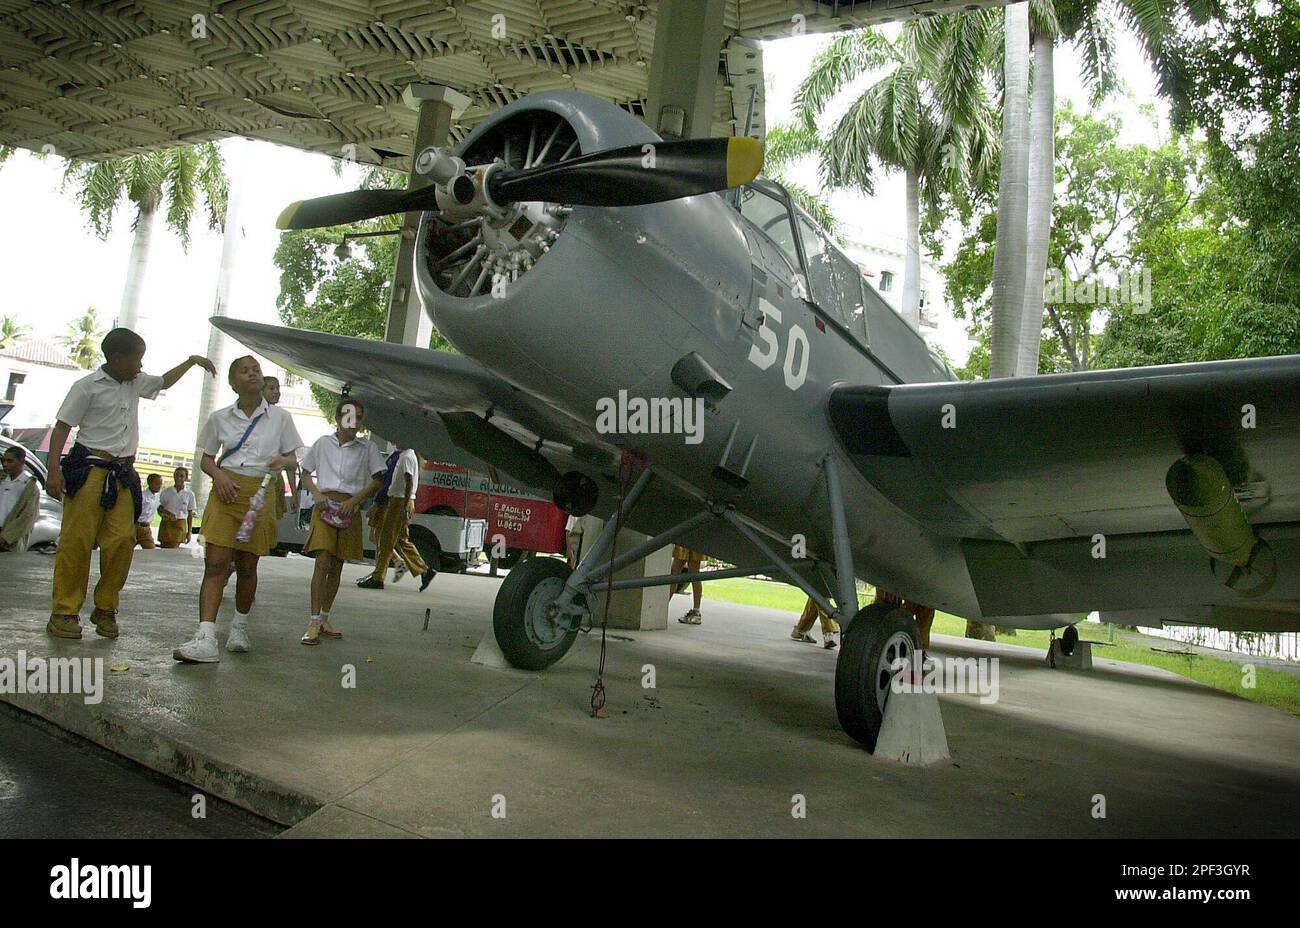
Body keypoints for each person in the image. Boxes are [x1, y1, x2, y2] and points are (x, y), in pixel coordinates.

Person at [45, 328, 214, 640]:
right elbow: (61, 427)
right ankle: (64, 612)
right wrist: (53, 469)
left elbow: (163, 381)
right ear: (117, 358)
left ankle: (105, 607)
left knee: (123, 540)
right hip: (90, 470)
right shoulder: (86, 387)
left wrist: (190, 362)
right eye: (136, 359)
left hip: (123, 474)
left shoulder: (135, 382)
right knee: (77, 542)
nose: (140, 366)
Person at [173, 355, 303, 663]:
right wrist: (218, 476)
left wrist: (280, 462)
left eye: (256, 369)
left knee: (247, 566)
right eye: (244, 371)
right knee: (215, 563)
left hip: (259, 493)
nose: (253, 374)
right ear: (234, 383)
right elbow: (206, 458)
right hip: (226, 490)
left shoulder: (281, 418)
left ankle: (240, 627)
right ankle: (205, 637)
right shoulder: (220, 418)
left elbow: (293, 458)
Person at [299, 398, 386, 645]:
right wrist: (316, 495)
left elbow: (378, 479)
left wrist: (356, 500)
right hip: (325, 506)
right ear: (337, 419)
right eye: (348, 415)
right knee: (322, 560)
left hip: (349, 508)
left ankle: (325, 617)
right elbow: (305, 472)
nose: (354, 421)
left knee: (337, 564)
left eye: (359, 417)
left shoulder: (367, 448)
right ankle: (313, 621)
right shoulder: (322, 444)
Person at [357, 444, 435, 591]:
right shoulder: (406, 455)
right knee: (400, 540)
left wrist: (404, 504)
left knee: (386, 541)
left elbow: (409, 481)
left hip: (399, 501)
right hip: (400, 501)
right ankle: (424, 570)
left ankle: (378, 577)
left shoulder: (406, 456)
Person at [260, 375, 297, 525]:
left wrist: (294, 494)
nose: (276, 392)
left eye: (278, 388)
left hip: (273, 480)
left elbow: (291, 461)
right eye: (271, 388)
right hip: (249, 479)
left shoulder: (283, 418)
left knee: (267, 525)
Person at [0, 445, 40, 553]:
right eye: (3, 461)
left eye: (10, 461)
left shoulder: (29, 486)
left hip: (10, 539)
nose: (5, 464)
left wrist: (6, 537)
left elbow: (27, 516)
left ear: (22, 461)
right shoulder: (3, 481)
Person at [158, 467, 196, 547]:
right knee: (163, 550)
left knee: (174, 549)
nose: (179, 478)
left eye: (182, 476)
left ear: (186, 478)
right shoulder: (166, 492)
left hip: (179, 524)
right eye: (177, 475)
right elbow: (160, 508)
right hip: (166, 523)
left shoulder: (189, 494)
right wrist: (163, 514)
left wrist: (189, 532)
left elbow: (190, 514)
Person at [671, 544, 705, 625]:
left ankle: (663, 607)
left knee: (676, 572)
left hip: (690, 540)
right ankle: (696, 611)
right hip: (691, 540)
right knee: (693, 573)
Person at [135, 472, 163, 549]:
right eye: (157, 483)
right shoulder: (142, 496)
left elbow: (159, 508)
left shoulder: (157, 497)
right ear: (149, 483)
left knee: (151, 549)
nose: (159, 486)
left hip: (146, 529)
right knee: (126, 551)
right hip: (135, 527)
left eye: (160, 484)